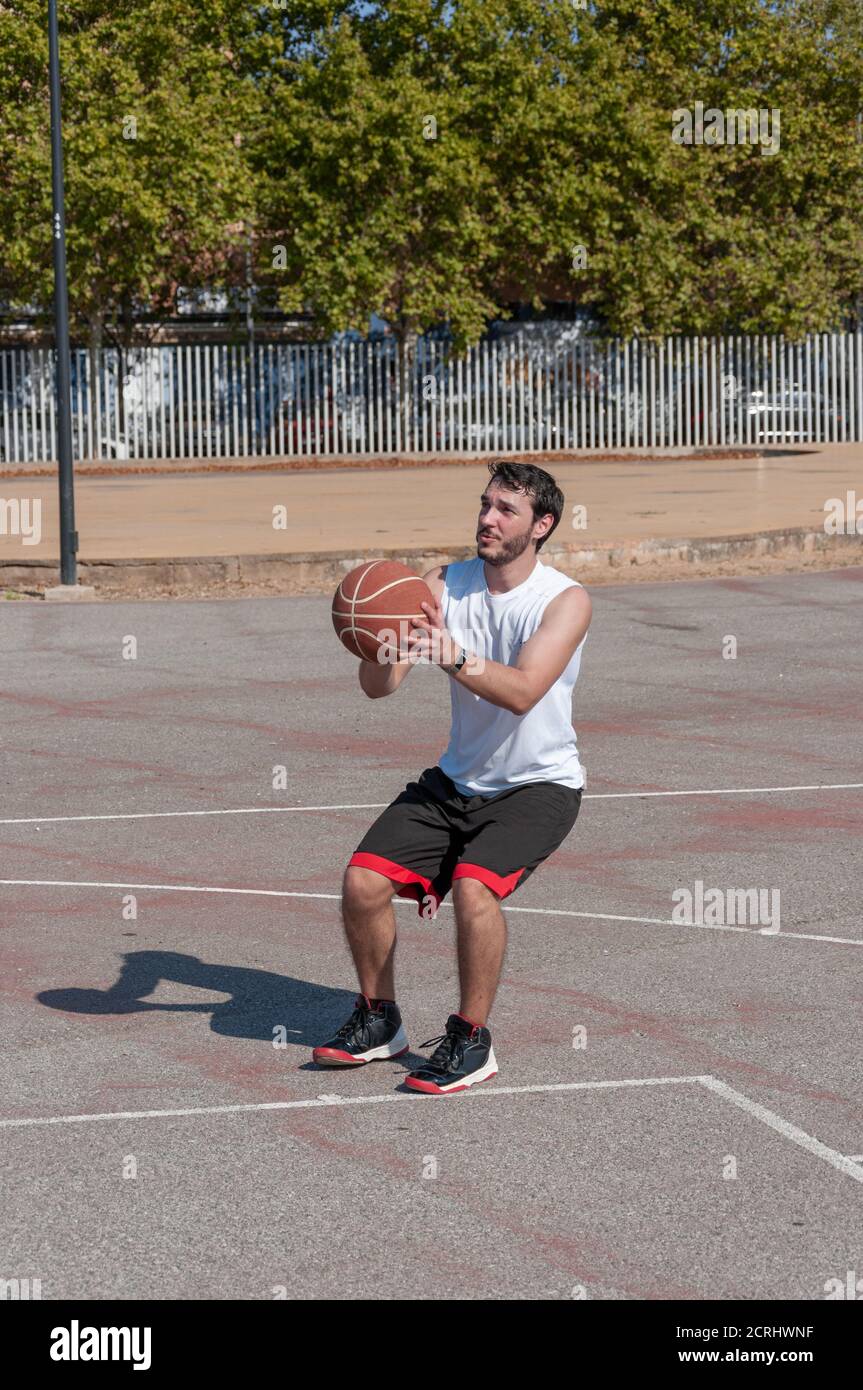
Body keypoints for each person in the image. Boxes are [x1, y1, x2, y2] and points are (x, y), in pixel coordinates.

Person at [313, 461, 592, 1093]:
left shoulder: (564, 600)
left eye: (507, 510)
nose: (488, 519)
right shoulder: (441, 584)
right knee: (362, 880)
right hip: (457, 780)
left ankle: (471, 1039)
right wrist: (380, 637)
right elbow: (377, 688)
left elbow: (521, 692)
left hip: (538, 785)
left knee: (474, 890)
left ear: (541, 525)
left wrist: (452, 654)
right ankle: (380, 1019)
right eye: (486, 504)